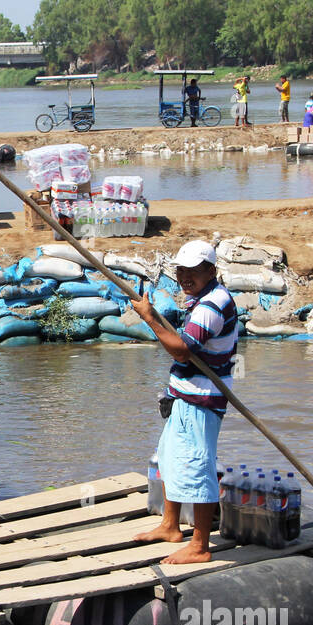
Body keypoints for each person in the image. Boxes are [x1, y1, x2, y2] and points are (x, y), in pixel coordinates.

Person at [129, 240, 238, 564]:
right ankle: (170, 525)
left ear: (211, 271)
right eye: (181, 271)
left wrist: (150, 318)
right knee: (170, 458)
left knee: (197, 466)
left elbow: (181, 350)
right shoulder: (201, 299)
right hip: (184, 395)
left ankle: (200, 546)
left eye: (194, 271)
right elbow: (185, 345)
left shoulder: (212, 306)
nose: (186, 277)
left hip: (201, 400)